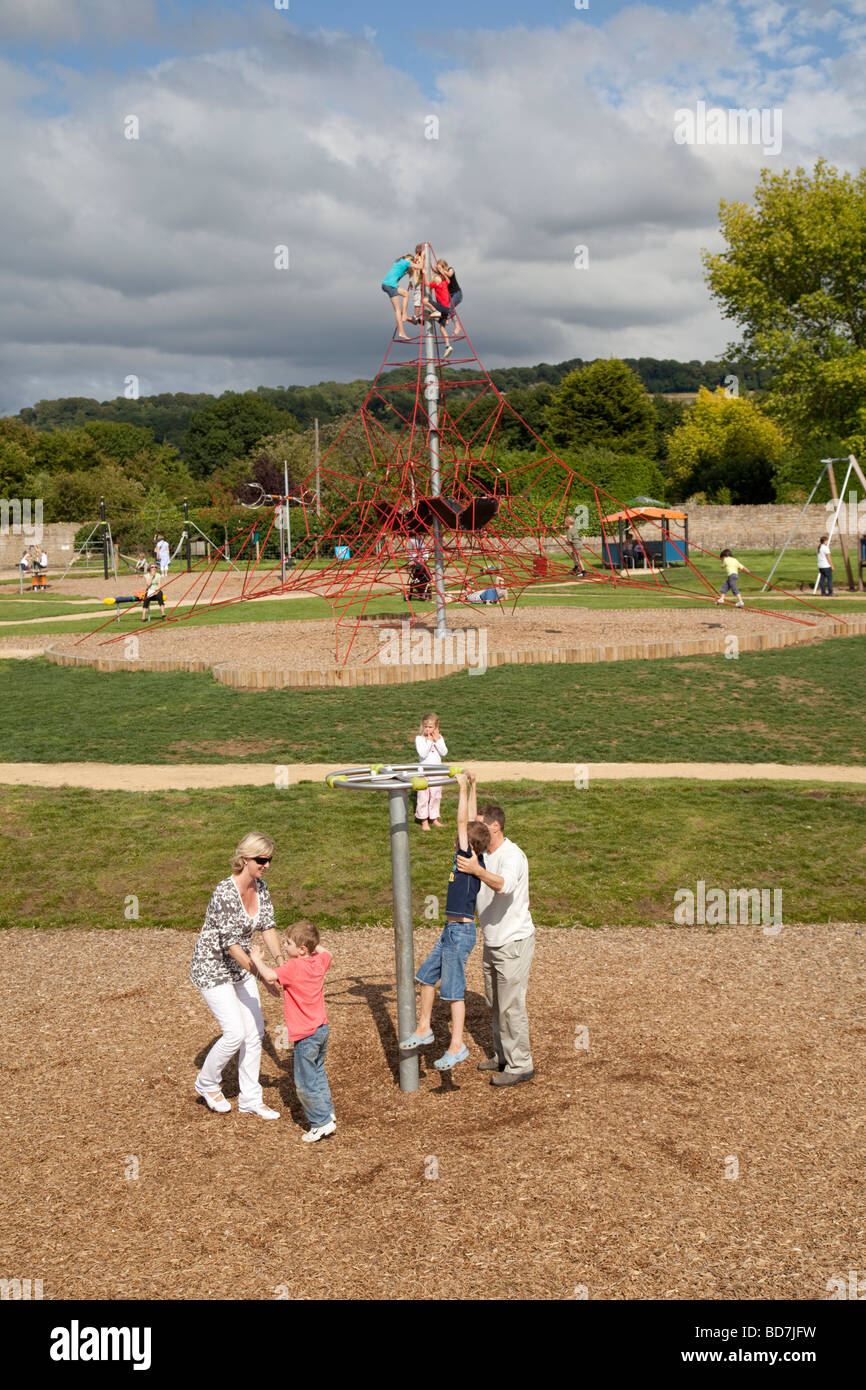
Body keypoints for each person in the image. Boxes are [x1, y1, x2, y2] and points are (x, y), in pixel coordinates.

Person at [399, 772, 490, 1071]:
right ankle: (424, 1028)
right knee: (426, 977)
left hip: (460, 932)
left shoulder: (469, 857)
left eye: (461, 838)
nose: (457, 839)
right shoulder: (470, 854)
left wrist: (461, 789)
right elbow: (474, 822)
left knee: (452, 992)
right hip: (450, 930)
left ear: (469, 845)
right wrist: (474, 785)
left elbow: (464, 823)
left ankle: (457, 1045)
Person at [189, 831, 284, 1118]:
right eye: (261, 859)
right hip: (213, 966)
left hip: (240, 967)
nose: (266, 865)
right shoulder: (224, 892)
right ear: (245, 859)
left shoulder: (261, 887)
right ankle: (206, 1083)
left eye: (269, 860)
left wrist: (279, 964)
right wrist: (262, 973)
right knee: (234, 1033)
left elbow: (267, 926)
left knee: (255, 1032)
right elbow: (231, 946)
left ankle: (251, 1099)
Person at [456, 802, 536, 1087]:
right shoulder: (484, 853)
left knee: (511, 1006)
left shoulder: (512, 855)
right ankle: (503, 1056)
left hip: (513, 941)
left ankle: (521, 1064)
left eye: (480, 825)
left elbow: (506, 886)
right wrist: (467, 786)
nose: (474, 830)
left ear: (495, 827)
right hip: (493, 940)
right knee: (495, 1003)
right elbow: (465, 822)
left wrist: (477, 871)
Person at [273, 920, 336, 1143]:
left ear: (300, 950)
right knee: (318, 1073)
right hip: (321, 1029)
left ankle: (320, 1122)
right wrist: (312, 941)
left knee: (305, 1082)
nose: (284, 946)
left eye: (288, 943)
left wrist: (255, 960)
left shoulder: (293, 967)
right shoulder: (318, 962)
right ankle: (328, 1111)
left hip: (305, 1035)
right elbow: (325, 951)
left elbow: (270, 976)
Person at [415, 712, 447, 830]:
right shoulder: (419, 739)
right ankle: (423, 820)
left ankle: (434, 818)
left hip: (437, 772)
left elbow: (444, 752)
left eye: (431, 727)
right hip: (424, 772)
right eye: (426, 727)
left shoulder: (439, 738)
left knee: (436, 795)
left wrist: (437, 740)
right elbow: (422, 754)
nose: (428, 729)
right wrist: (429, 741)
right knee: (423, 796)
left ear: (436, 727)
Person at [381, 253, 423, 340]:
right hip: (390, 285)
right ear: (409, 260)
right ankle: (401, 332)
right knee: (397, 310)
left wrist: (410, 282)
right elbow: (420, 266)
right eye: (411, 261)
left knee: (405, 294)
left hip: (388, 284)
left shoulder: (401, 262)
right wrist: (422, 256)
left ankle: (405, 316)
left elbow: (411, 272)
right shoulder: (405, 262)